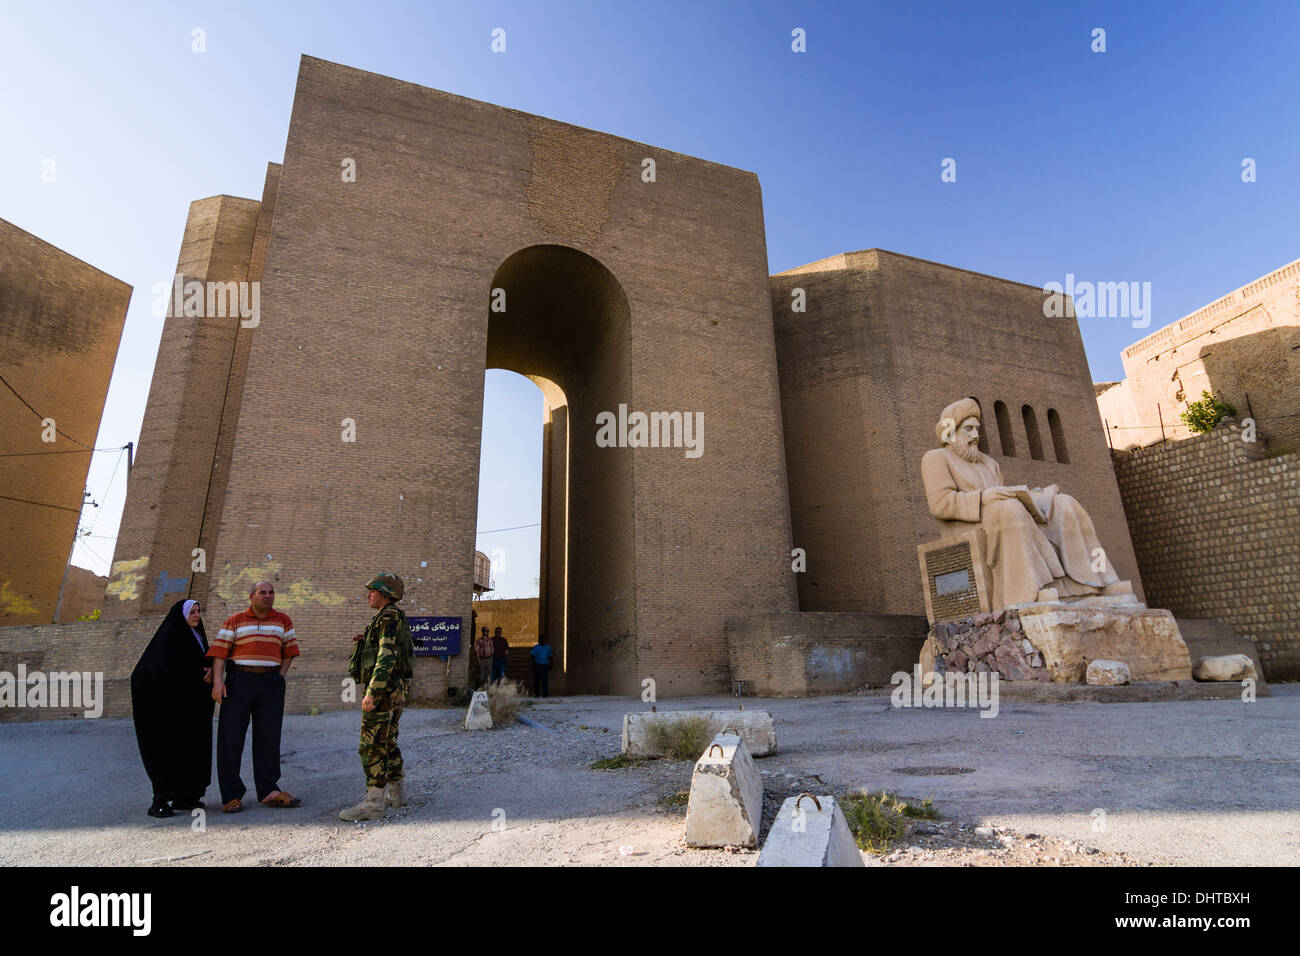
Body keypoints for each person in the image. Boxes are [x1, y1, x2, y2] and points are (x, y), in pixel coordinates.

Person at [920, 397, 1120, 610]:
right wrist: (986, 497)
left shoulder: (990, 464)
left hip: (997, 516)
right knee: (1010, 510)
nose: (976, 436)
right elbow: (940, 504)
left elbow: (1001, 495)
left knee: (1064, 504)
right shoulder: (936, 458)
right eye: (968, 429)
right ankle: (1029, 592)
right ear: (951, 430)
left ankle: (1095, 581)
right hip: (964, 525)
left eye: (977, 429)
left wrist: (1033, 497)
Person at [207, 581, 301, 812]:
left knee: (269, 737)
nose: (268, 596)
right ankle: (231, 795)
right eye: (262, 593)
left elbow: (289, 651)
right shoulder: (235, 620)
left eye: (271, 592)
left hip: (270, 682)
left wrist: (279, 676)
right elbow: (220, 653)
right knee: (231, 737)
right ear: (251, 596)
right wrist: (218, 682)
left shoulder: (283, 620)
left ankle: (269, 790)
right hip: (239, 681)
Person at [340, 572, 415, 821]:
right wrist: (366, 640)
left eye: (372, 591)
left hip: (384, 689)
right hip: (396, 688)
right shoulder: (392, 616)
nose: (368, 595)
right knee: (389, 740)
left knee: (371, 745)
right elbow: (390, 646)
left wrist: (373, 691)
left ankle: (373, 804)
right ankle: (397, 795)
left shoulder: (387, 615)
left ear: (384, 593)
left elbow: (386, 656)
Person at [131, 599, 215, 818]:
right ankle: (159, 800)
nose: (197, 615)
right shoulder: (169, 640)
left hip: (193, 711)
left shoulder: (198, 638)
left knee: (192, 751)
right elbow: (145, 673)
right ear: (181, 616)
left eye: (198, 611)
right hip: (170, 712)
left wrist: (210, 673)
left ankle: (185, 797)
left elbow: (202, 664)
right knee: (167, 752)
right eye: (192, 612)